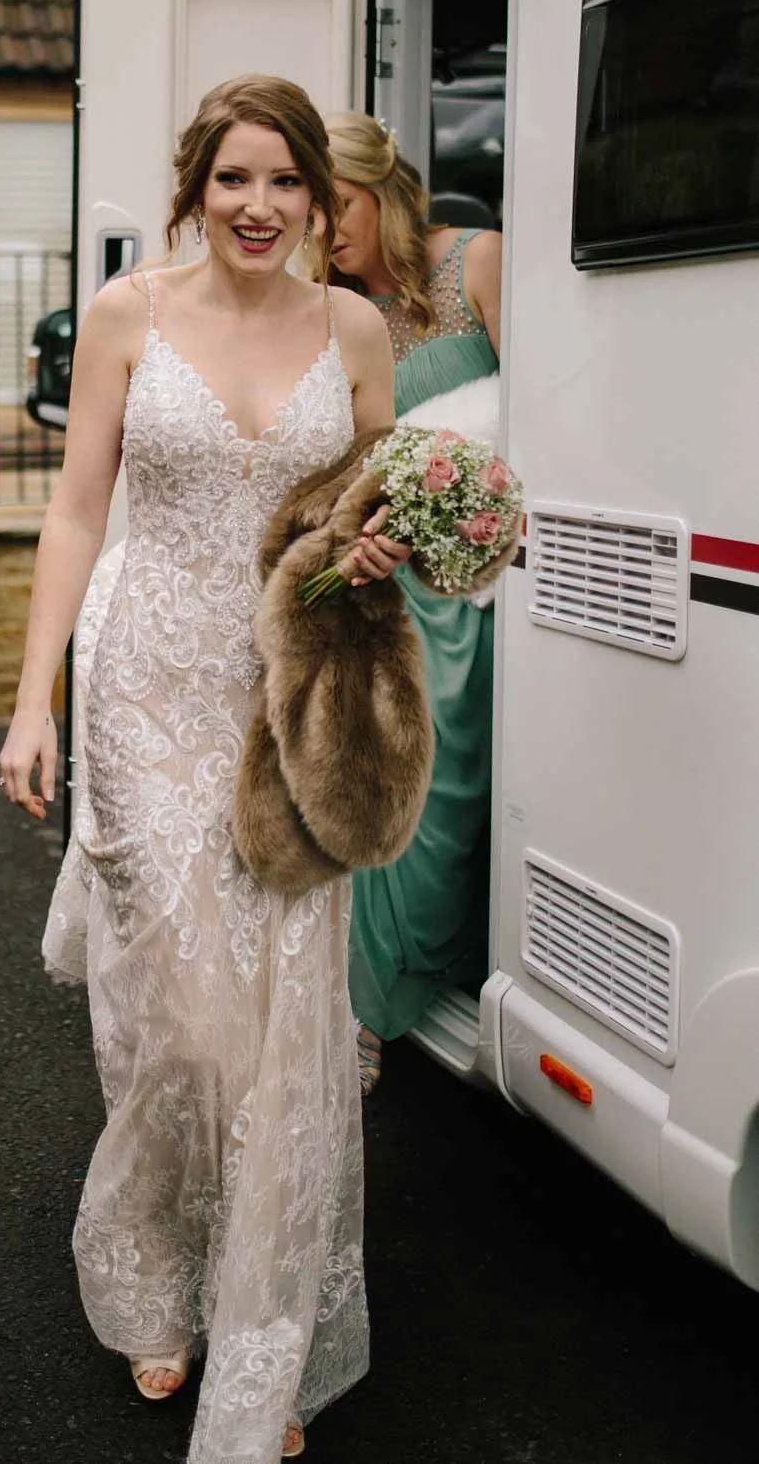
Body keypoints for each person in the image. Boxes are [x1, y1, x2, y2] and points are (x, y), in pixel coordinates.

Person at [0, 76, 406, 1464]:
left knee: (285, 1018)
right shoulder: (128, 316)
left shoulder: (355, 329)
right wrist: (35, 700)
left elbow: (368, 510)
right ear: (195, 186)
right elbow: (76, 510)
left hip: (285, 700)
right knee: (180, 1011)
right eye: (234, 177)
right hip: (144, 689)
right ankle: (151, 1267)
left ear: (320, 200)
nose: (258, 204)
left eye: (285, 181)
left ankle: (264, 1320)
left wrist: (378, 549)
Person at [323, 112, 503, 1097]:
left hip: (481, 579)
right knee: (382, 786)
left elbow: (544, 411)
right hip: (387, 584)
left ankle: (433, 970)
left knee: (453, 796)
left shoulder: (479, 261)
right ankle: (363, 1003)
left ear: (380, 189)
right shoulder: (342, 314)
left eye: (336, 207)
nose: (324, 233)